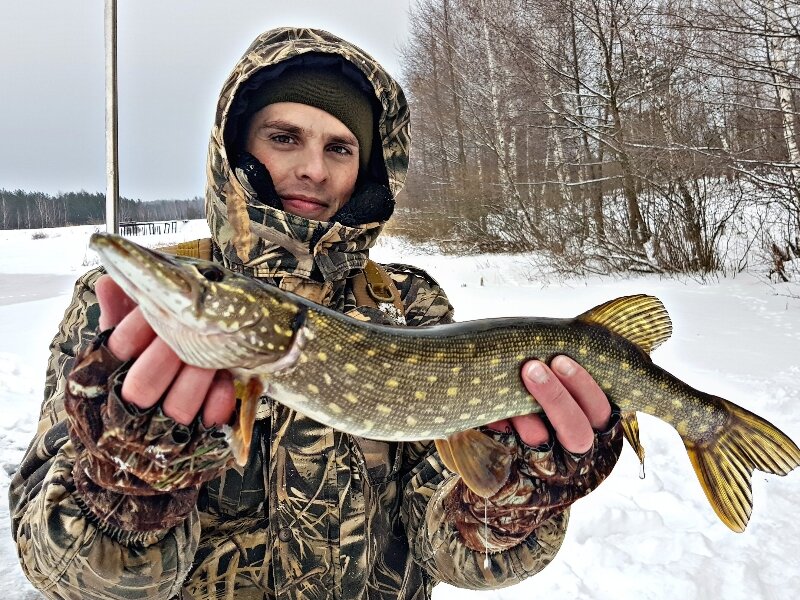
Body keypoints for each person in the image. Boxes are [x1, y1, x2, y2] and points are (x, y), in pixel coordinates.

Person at [9, 27, 623, 600]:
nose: (313, 168)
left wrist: (512, 502)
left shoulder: (410, 308)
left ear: (366, 171)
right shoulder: (117, 313)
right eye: (284, 138)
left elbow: (450, 548)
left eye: (340, 147)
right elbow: (54, 567)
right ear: (236, 149)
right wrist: (123, 494)